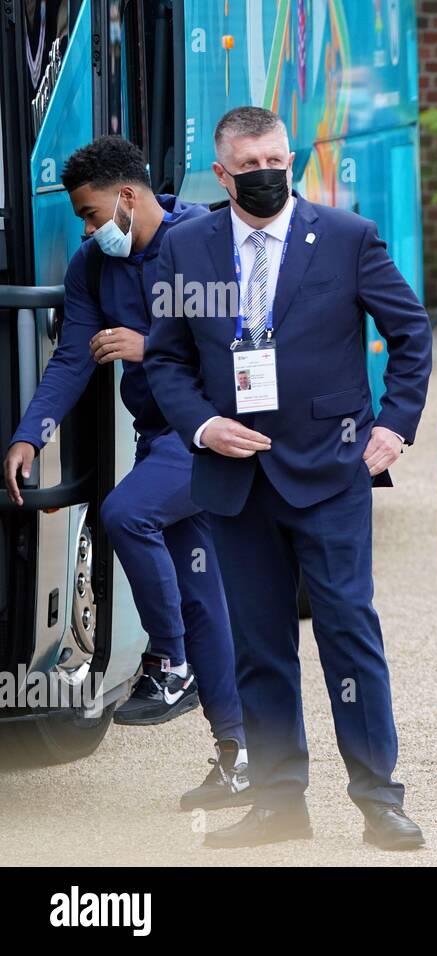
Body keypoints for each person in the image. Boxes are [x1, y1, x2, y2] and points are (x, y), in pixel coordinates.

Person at [144, 106, 433, 849]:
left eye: (277, 160)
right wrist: (203, 425)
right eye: (250, 167)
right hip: (233, 482)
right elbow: (168, 358)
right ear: (223, 173)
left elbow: (410, 333)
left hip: (331, 471)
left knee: (348, 635)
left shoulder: (346, 237)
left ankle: (379, 799)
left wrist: (394, 425)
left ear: (291, 156)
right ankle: (278, 803)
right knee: (259, 645)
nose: (267, 175)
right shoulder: (187, 248)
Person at [2, 135, 249, 812]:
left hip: (206, 432)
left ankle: (169, 663)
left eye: (89, 212)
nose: (86, 228)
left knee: (125, 513)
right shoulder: (92, 266)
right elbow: (71, 363)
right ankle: (240, 757)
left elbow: (241, 339)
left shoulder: (202, 239)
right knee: (202, 597)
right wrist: (30, 435)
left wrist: (150, 344)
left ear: (129, 197)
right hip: (159, 436)